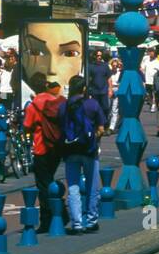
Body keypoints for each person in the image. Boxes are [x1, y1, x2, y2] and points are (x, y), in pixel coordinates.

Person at [61, 75, 107, 234]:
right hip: (89, 150)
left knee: (73, 187)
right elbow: (102, 128)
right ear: (84, 88)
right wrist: (94, 136)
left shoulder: (64, 106)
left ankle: (77, 223)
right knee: (92, 186)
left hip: (70, 150)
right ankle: (91, 220)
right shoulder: (93, 104)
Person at [23, 76, 65, 234]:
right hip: (57, 146)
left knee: (43, 185)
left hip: (41, 147)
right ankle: (60, 213)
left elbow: (27, 125)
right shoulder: (58, 101)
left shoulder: (34, 104)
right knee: (50, 181)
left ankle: (49, 218)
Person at [86, 50, 112, 120]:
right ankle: (96, 125)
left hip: (103, 91)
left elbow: (109, 78)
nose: (99, 57)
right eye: (98, 55)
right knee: (95, 108)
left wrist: (110, 90)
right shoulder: (90, 66)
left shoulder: (105, 66)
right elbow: (87, 79)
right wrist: (88, 90)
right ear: (95, 56)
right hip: (94, 91)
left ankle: (104, 124)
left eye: (100, 56)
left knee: (105, 108)